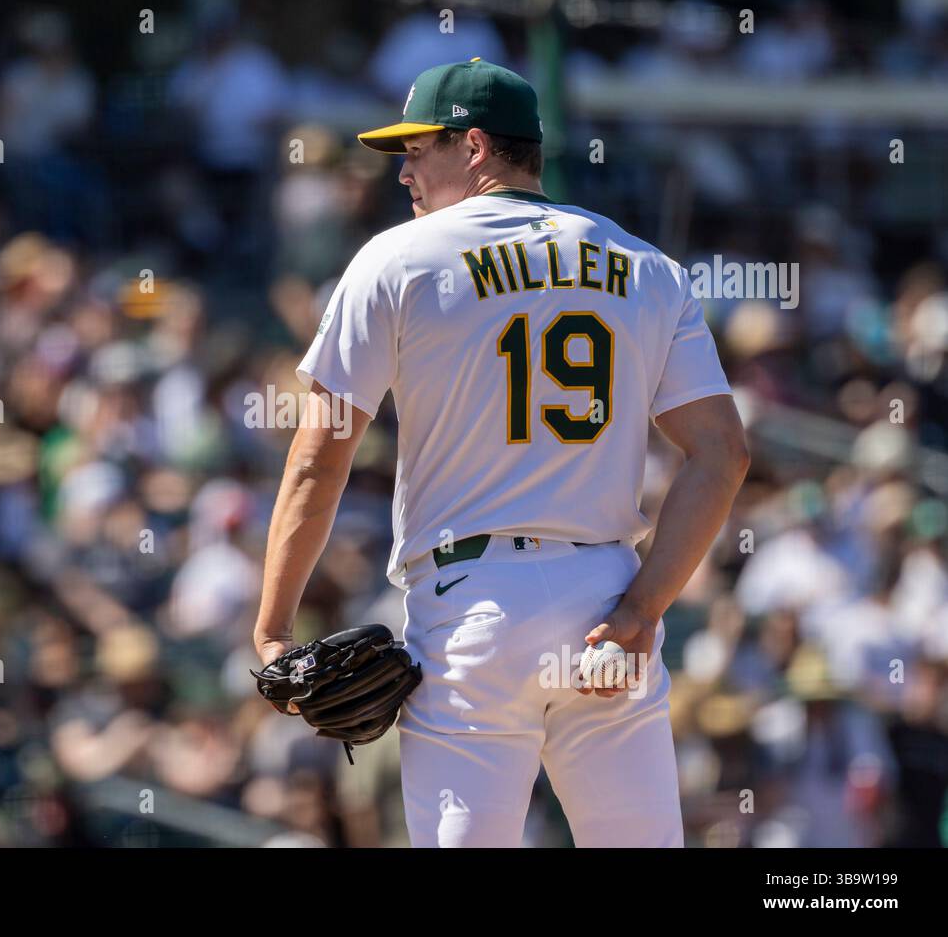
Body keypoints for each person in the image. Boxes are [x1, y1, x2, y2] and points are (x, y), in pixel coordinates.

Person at [252, 58, 749, 847]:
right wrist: (644, 606)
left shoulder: (398, 259)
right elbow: (721, 453)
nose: (404, 172)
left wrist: (275, 628)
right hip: (606, 597)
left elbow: (318, 460)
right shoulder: (645, 265)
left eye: (418, 149)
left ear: (474, 145)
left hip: (472, 605)